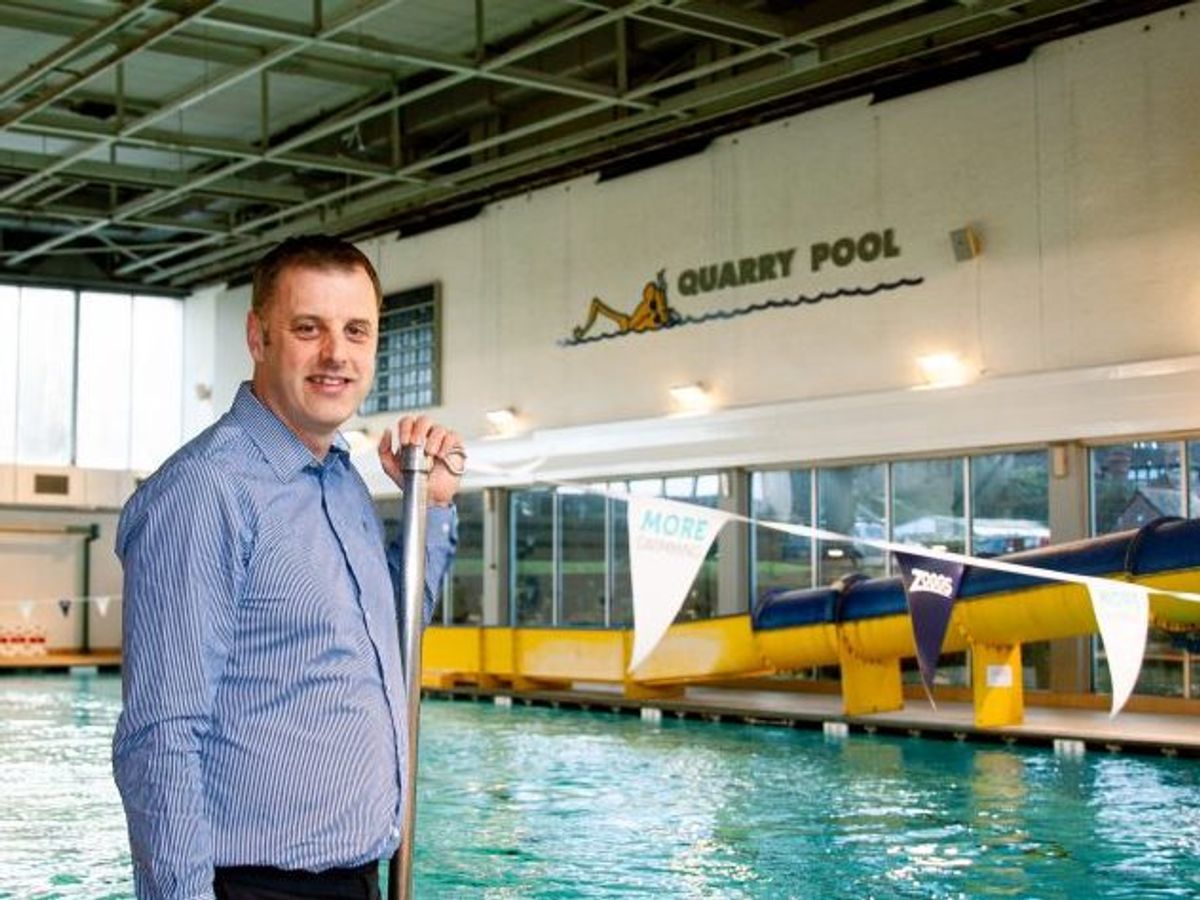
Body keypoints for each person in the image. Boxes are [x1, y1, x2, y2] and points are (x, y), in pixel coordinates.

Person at [112, 235, 463, 900]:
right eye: (309, 328)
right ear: (258, 335)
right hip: (253, 887)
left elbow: (390, 642)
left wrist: (433, 508)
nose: (337, 354)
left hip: (353, 880)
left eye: (356, 330)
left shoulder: (342, 483)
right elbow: (159, 736)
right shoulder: (208, 490)